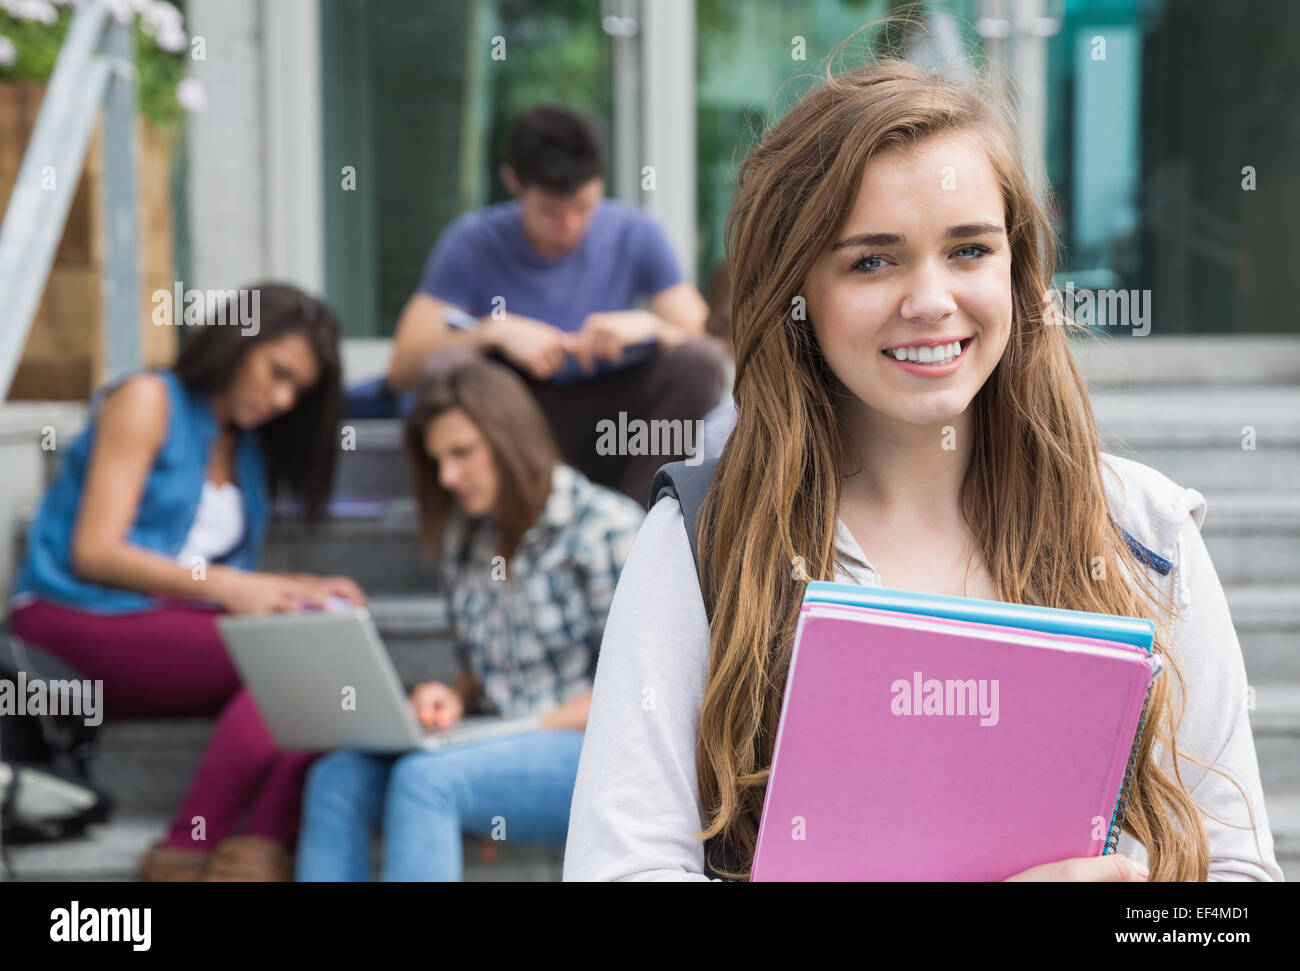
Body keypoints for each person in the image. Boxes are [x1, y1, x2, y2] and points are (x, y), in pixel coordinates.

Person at [562, 53, 1283, 881]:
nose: (931, 299)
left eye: (970, 250)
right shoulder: (698, 543)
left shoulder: (1145, 533)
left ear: (1018, 269)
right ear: (797, 292)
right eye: (873, 259)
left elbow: (1236, 885)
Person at [8, 283, 366, 881]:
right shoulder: (150, 399)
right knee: (301, 665)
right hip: (74, 616)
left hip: (165, 632)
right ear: (238, 341)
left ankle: (254, 851)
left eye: (296, 390)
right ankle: (186, 851)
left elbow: (206, 571)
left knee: (326, 657)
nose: (281, 399)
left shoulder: (246, 449)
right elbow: (95, 551)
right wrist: (230, 587)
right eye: (276, 372)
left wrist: (299, 587)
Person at [296, 348, 644, 881]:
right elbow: (491, 668)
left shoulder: (607, 528)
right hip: (493, 739)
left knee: (424, 780)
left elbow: (638, 691)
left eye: (462, 453)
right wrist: (453, 697)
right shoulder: (467, 535)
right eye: (438, 461)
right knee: (336, 779)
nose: (449, 475)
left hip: (594, 754)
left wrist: (514, 735)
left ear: (510, 441)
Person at [383, 104, 728, 502]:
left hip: (617, 435)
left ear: (600, 183)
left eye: (582, 207)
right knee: (449, 367)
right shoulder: (471, 242)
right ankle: (514, 528)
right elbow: (402, 370)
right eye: (549, 211)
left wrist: (651, 326)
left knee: (695, 361)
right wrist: (491, 331)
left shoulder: (637, 233)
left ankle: (639, 532)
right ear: (513, 181)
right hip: (518, 427)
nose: (568, 225)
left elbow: (715, 349)